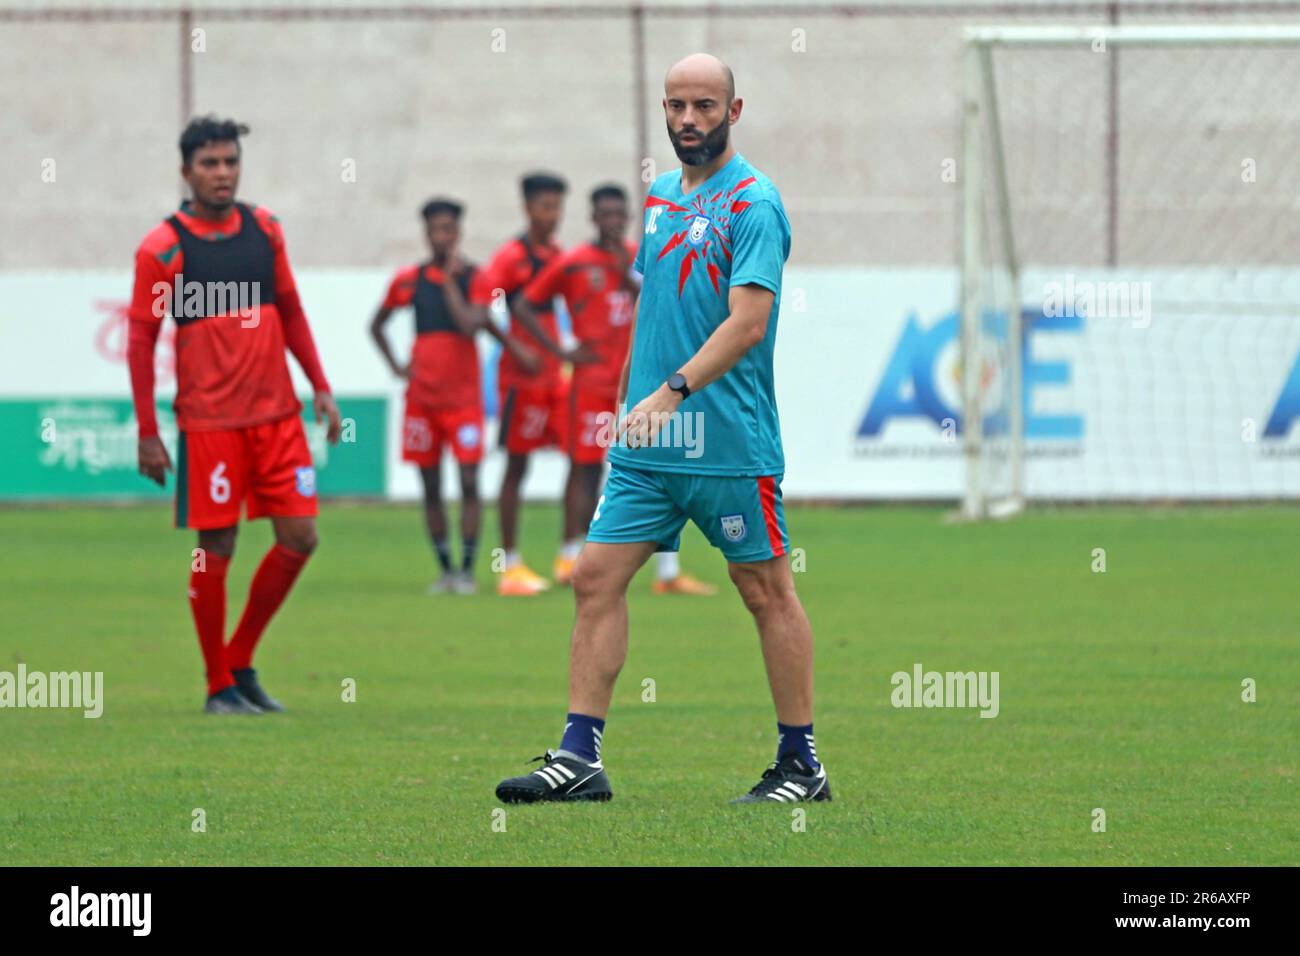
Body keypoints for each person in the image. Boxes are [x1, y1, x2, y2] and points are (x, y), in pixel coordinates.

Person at [495, 55, 829, 803]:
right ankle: (580, 758)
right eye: (676, 105)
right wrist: (627, 410)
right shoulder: (659, 200)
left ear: (733, 113)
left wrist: (673, 392)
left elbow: (748, 324)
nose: (688, 120)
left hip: (728, 442)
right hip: (651, 445)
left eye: (705, 106)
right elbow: (652, 320)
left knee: (765, 590)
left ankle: (802, 765)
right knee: (593, 578)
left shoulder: (755, 203)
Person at [129, 115, 341, 715]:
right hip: (210, 424)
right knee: (213, 547)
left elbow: (292, 310)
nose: (223, 174)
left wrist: (320, 386)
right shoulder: (162, 248)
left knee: (301, 537)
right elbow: (140, 343)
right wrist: (148, 433)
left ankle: (238, 660)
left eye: (230, 162)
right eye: (210, 164)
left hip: (277, 419)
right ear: (186, 171)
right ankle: (217, 685)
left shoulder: (265, 228)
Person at [514, 184, 716, 595]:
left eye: (619, 215)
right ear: (592, 218)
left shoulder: (638, 260)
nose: (612, 221)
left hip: (639, 384)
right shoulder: (574, 263)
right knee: (585, 465)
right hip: (590, 383)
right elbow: (524, 304)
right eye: (604, 214)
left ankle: (667, 573)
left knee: (659, 468)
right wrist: (560, 349)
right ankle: (570, 553)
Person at [371, 197, 528, 595]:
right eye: (435, 229)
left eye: (448, 229)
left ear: (457, 233)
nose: (442, 235)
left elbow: (472, 325)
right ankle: (445, 568)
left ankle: (468, 569)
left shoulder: (474, 278)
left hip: (463, 402)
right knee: (430, 485)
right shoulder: (408, 280)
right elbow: (378, 324)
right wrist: (395, 366)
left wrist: (447, 284)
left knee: (470, 480)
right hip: (422, 401)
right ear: (427, 233)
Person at [468, 173, 568, 596]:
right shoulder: (510, 257)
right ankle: (509, 565)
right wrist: (516, 346)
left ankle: (570, 557)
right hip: (520, 378)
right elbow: (480, 308)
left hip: (554, 376)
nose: (553, 215)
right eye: (545, 206)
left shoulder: (559, 254)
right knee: (517, 465)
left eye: (557, 206)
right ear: (527, 207)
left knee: (582, 459)